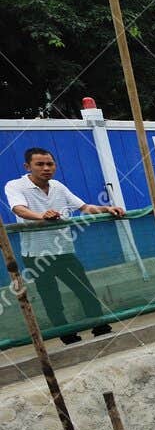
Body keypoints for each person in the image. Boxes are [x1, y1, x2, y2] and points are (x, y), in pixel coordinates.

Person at [4, 147, 123, 344]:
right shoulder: (15, 186)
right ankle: (69, 338)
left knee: (86, 290)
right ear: (28, 166)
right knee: (52, 299)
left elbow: (85, 207)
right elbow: (19, 209)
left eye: (50, 164)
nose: (46, 168)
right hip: (36, 255)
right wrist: (41, 216)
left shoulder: (58, 186)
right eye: (40, 164)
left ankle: (102, 330)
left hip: (64, 251)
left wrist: (106, 208)